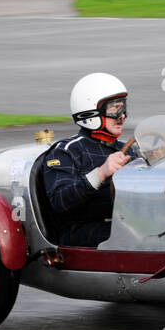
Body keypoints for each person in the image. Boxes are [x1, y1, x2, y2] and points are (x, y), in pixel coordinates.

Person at [43, 73, 141, 247]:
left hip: (124, 224)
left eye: (122, 107)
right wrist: (101, 173)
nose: (122, 116)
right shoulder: (67, 151)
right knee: (141, 238)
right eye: (113, 109)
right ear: (89, 111)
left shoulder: (129, 149)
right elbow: (60, 201)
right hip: (81, 231)